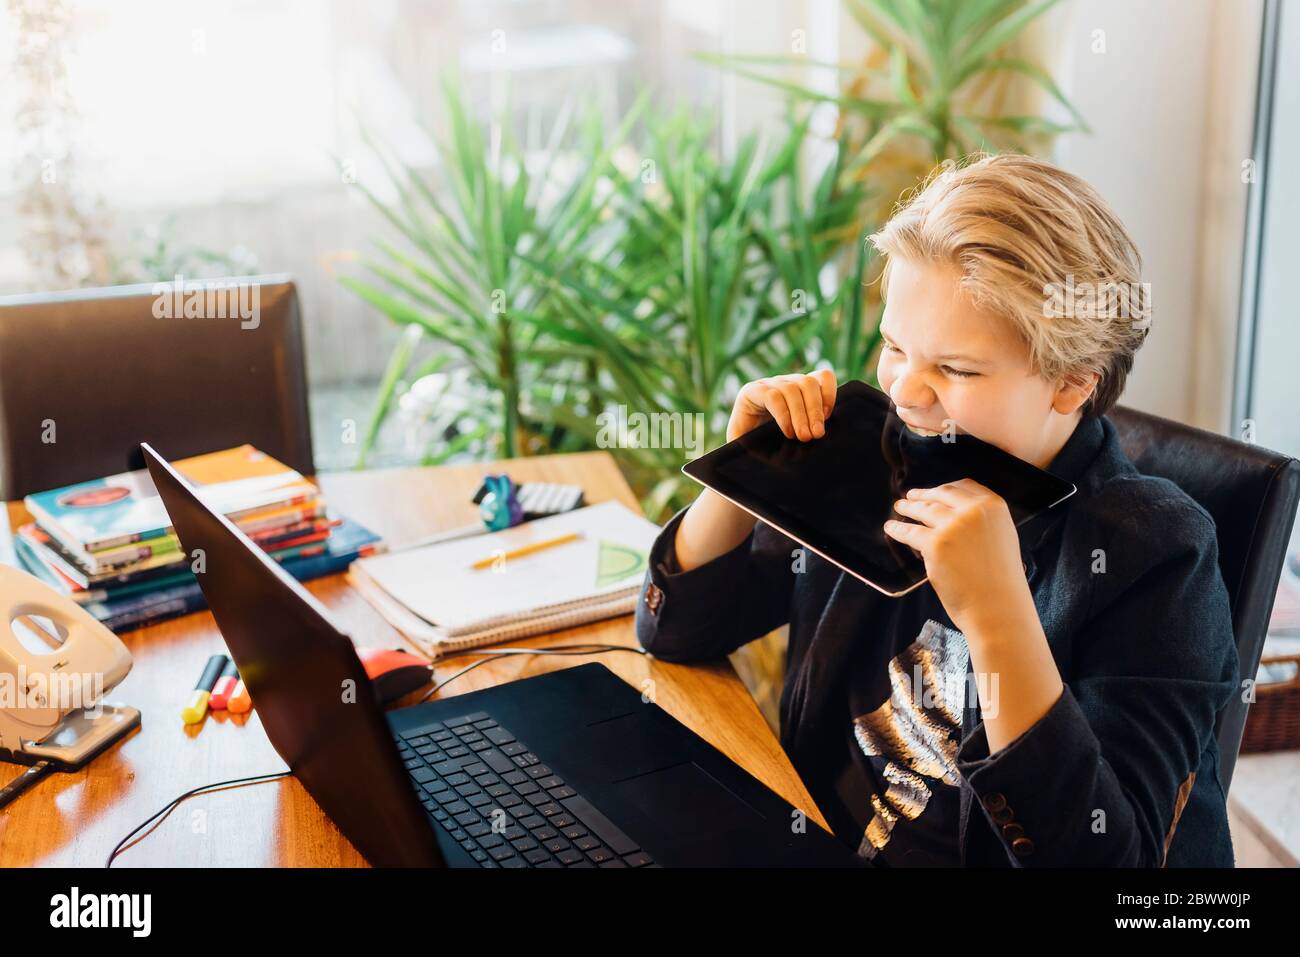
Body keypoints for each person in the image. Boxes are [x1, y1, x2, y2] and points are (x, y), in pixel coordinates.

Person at [634, 153, 1238, 867]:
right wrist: (738, 478)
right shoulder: (879, 450)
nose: (906, 391)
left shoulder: (1157, 554)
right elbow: (673, 630)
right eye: (895, 346)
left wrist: (996, 613)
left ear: (1072, 384)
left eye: (954, 368)